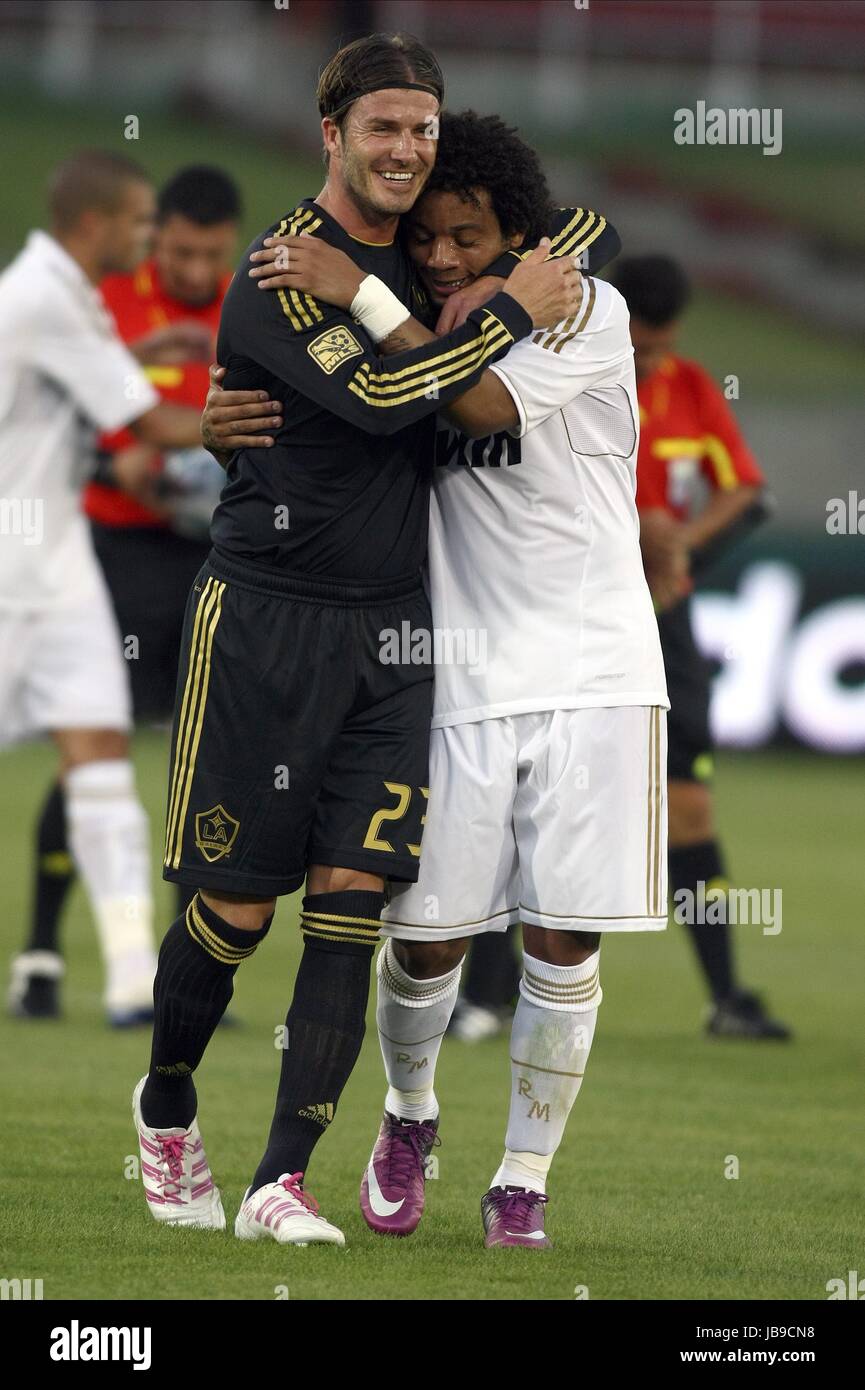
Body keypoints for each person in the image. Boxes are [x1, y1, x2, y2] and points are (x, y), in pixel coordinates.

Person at [131, 34, 585, 1246]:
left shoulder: (432, 258)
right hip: (264, 612)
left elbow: (568, 234)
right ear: (329, 133)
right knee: (235, 911)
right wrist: (506, 316)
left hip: (392, 630)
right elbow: (390, 397)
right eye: (381, 128)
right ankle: (166, 1107)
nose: (405, 151)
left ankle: (284, 1181)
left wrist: (515, 277)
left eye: (422, 129)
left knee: (350, 905)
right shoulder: (288, 265)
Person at [210, 108, 662, 1249]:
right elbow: (344, 417)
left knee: (562, 937)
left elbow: (478, 402)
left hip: (594, 667)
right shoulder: (416, 326)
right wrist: (216, 427)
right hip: (450, 669)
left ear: (518, 233)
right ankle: (408, 1115)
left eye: (470, 236)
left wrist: (371, 296)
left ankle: (523, 1173)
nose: (446, 255)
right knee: (425, 943)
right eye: (428, 240)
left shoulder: (582, 307)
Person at [11, 166, 242, 1022]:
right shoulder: (69, 295)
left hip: (149, 557)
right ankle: (42, 954)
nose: (169, 255)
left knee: (145, 758)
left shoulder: (235, 305)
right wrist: (137, 459)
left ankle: (154, 980)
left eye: (199, 249)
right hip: (71, 550)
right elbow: (130, 422)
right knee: (91, 750)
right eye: (157, 234)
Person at [609, 254, 790, 1040]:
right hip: (576, 613)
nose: (648, 361)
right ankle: (484, 995)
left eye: (657, 347)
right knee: (524, 801)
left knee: (688, 802)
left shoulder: (688, 385)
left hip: (664, 617)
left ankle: (725, 997)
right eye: (636, 346)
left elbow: (746, 487)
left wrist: (680, 543)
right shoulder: (573, 377)